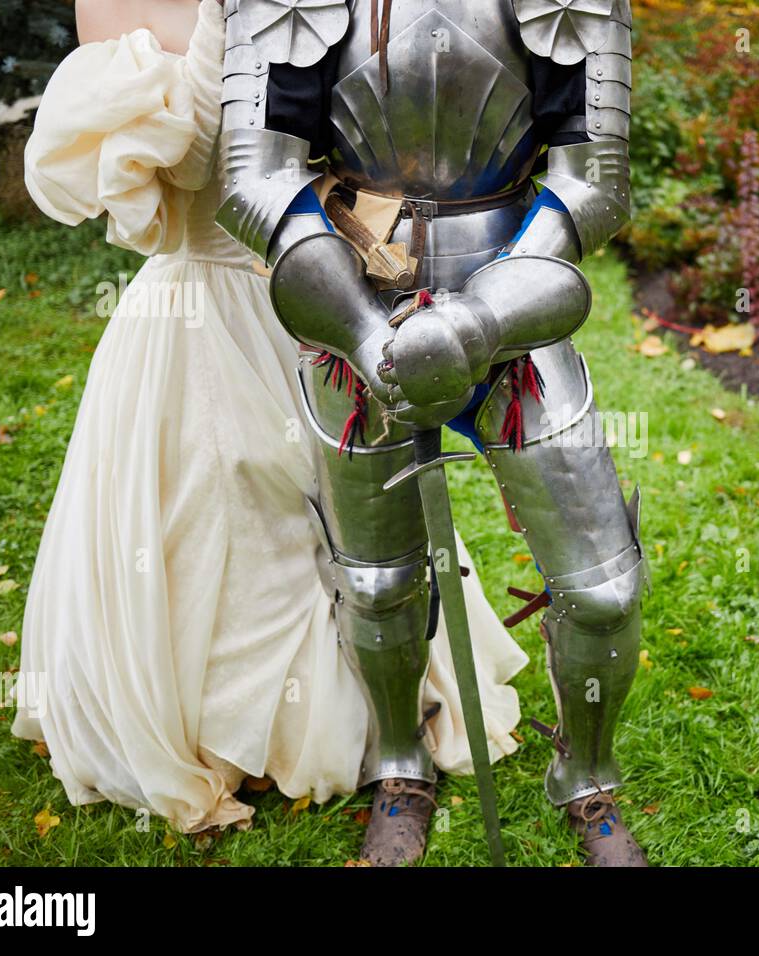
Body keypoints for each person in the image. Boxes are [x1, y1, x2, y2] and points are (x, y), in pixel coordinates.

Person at [13, 0, 528, 846]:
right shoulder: (114, 2)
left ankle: (391, 714)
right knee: (214, 492)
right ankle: (221, 728)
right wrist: (223, 23)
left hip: (324, 296)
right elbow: (177, 172)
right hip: (198, 307)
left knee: (362, 518)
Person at [212, 0, 648, 866]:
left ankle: (586, 775)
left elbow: (595, 178)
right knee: (377, 584)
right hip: (353, 302)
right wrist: (370, 338)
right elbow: (254, 180)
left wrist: (479, 323)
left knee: (602, 590)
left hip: (517, 296)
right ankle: (402, 765)